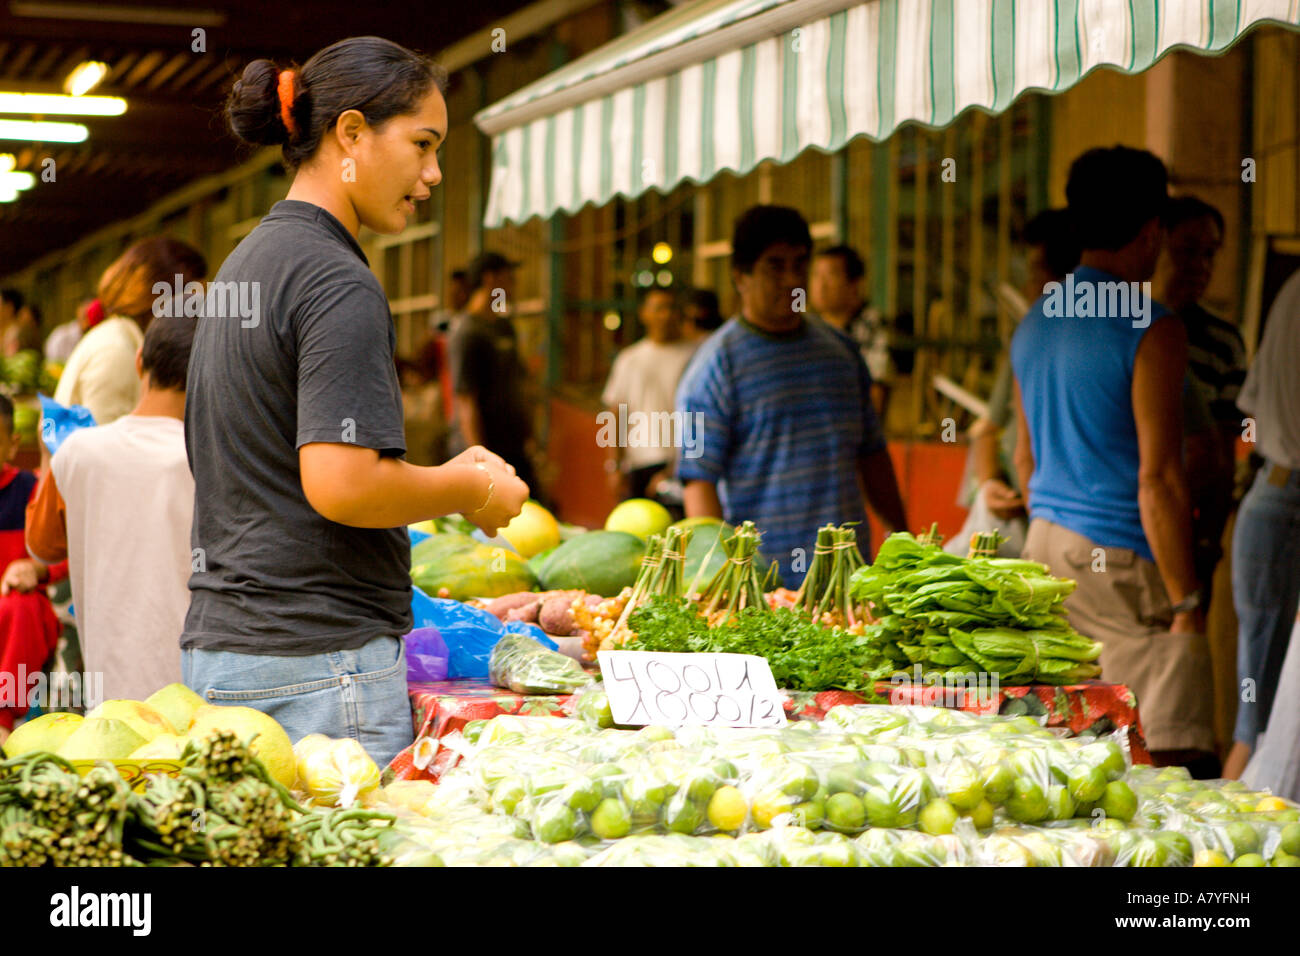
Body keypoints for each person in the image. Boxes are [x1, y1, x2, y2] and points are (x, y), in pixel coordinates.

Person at [183, 37, 527, 767]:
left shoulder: (249, 264)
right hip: (318, 665)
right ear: (349, 133)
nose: (432, 176)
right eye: (422, 145)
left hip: (229, 658)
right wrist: (471, 487)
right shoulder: (336, 280)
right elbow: (342, 483)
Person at [1013, 146, 1216, 774]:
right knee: (1158, 764)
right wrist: (1186, 603)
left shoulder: (1035, 321)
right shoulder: (1153, 328)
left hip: (1043, 552)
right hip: (1121, 563)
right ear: (1152, 230)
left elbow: (1023, 460)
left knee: (1066, 755)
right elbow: (1158, 480)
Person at [676, 205, 907, 585]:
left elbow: (872, 454)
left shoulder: (842, 353)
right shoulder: (716, 368)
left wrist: (902, 535)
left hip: (849, 580)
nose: (792, 279)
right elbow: (698, 483)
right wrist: (722, 581)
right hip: (765, 590)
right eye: (775, 266)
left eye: (800, 264)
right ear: (740, 276)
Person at [26, 315, 198, 701]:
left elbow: (41, 547)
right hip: (200, 696)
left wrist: (46, 458)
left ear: (139, 361)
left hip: (111, 701)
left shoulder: (78, 451)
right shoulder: (212, 459)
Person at [947, 209, 1079, 558]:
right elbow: (987, 430)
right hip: (1010, 523)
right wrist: (989, 483)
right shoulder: (1031, 339)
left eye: (1037, 272)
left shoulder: (1116, 343)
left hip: (1059, 525)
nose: (1027, 287)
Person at [1223, 265, 1300, 779]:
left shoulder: (1291, 287)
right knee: (1268, 710)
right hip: (1287, 504)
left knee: (1261, 704)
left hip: (1270, 492)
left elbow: (1249, 408)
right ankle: (1229, 837)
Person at [1156, 196, 1246, 588]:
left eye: (1210, 254)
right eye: (1187, 251)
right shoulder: (1119, 325)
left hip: (1188, 529)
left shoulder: (1223, 342)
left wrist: (1210, 538)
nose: (1201, 266)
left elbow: (1222, 453)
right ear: (1155, 245)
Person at [55, 238, 207, 426]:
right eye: (191, 301)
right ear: (159, 298)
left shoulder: (119, 339)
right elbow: (107, 448)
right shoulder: (115, 350)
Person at [0, 395, 66, 743]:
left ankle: (3, 718)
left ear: (12, 445)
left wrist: (37, 568)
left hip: (18, 620)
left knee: (20, 608)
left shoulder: (30, 491)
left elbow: (65, 551)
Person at [446, 251, 539, 493]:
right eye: (509, 278)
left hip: (514, 447)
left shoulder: (504, 327)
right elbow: (466, 400)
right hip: (487, 450)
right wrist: (480, 458)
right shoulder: (466, 332)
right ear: (490, 279)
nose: (513, 285)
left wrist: (530, 437)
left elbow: (520, 385)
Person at [602, 286, 698, 501]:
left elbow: (700, 416)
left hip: (683, 464)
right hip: (639, 463)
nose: (666, 315)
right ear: (644, 314)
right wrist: (614, 466)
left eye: (672, 308)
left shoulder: (696, 356)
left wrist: (675, 467)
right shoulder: (629, 359)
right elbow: (616, 414)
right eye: (659, 308)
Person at [810, 244, 891, 417]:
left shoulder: (872, 327)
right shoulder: (810, 328)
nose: (821, 285)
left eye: (831, 275)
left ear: (855, 283)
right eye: (816, 275)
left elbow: (876, 395)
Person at [44, 299, 91, 365]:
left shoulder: (98, 337)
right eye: (85, 314)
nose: (88, 314)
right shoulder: (61, 336)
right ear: (78, 310)